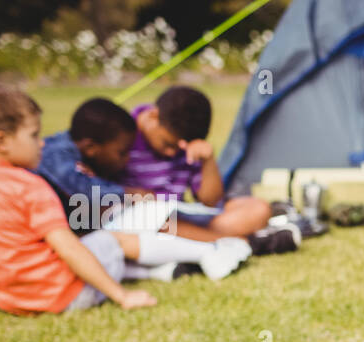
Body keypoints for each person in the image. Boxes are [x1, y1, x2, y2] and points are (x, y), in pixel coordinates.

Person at [0, 84, 158, 322]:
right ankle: (176, 262)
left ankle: (160, 267)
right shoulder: (29, 185)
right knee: (110, 240)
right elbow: (68, 248)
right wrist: (122, 297)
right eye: (33, 135)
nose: (41, 143)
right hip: (69, 298)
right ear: (2, 142)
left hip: (10, 301)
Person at [35, 97, 249, 280]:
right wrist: (129, 194)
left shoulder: (89, 151)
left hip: (117, 225)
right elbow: (85, 191)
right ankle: (218, 246)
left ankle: (181, 261)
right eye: (121, 154)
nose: (126, 160)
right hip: (75, 235)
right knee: (141, 225)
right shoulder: (57, 155)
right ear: (91, 147)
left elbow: (210, 199)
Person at [119, 85, 292, 251]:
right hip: (140, 218)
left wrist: (208, 160)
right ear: (152, 116)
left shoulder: (186, 143)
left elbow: (210, 200)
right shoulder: (123, 134)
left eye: (179, 148)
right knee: (154, 224)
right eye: (167, 144)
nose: (172, 153)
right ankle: (240, 242)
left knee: (258, 209)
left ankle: (201, 240)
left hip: (181, 218)